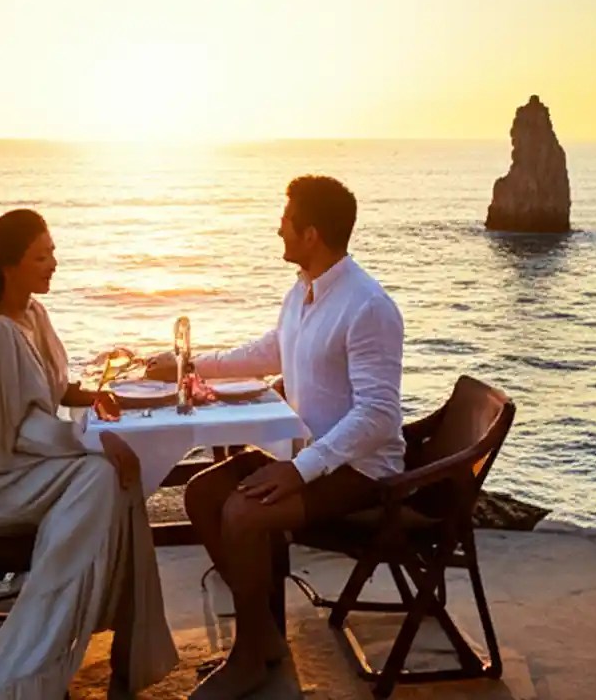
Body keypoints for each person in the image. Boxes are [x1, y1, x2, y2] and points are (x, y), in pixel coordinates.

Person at [147, 176, 406, 699]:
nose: (278, 228)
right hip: (309, 457)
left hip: (360, 472)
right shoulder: (305, 291)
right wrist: (190, 364)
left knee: (243, 513)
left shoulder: (367, 307)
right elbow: (272, 350)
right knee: (202, 493)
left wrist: (298, 470)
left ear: (310, 233)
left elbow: (378, 415)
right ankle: (263, 639)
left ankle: (249, 658)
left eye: (286, 219)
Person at [0, 209, 177, 699]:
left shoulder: (33, 315)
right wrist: (97, 439)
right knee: (99, 475)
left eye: (52, 252)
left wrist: (93, 399)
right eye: (41, 256)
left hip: (29, 460)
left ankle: (122, 636)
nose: (53, 263)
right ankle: (38, 646)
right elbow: (21, 427)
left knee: (109, 479)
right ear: (9, 265)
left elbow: (49, 390)